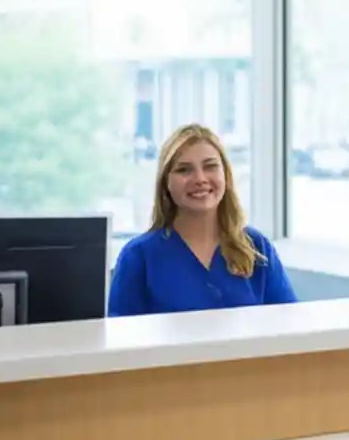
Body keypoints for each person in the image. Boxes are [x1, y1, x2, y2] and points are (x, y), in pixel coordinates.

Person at [108, 123, 297, 316]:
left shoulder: (256, 247)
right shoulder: (139, 257)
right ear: (166, 183)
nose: (200, 178)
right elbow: (122, 339)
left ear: (226, 176)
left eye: (210, 167)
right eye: (184, 170)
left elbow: (291, 326)